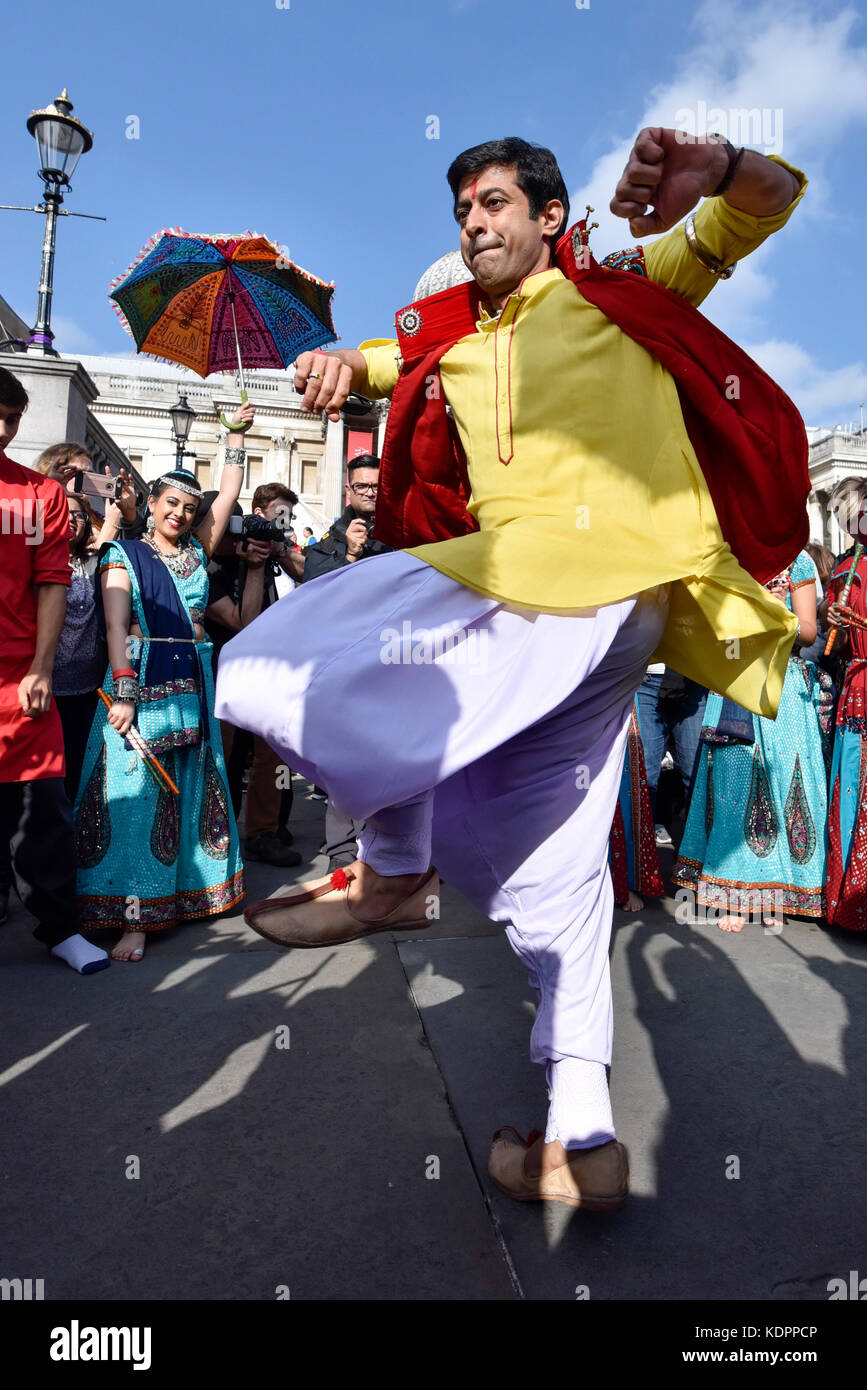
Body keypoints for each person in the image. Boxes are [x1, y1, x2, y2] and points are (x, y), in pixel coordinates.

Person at [217, 130, 807, 1210]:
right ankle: (580, 1137)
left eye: (494, 203)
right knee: (554, 872)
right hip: (584, 626)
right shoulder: (451, 341)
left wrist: (717, 169)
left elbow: (765, 202)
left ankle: (392, 871)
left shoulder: (620, 281)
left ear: (548, 216)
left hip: (580, 584)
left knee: (269, 662)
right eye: (461, 213)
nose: (476, 223)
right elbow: (384, 359)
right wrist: (344, 362)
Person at [73, 407, 253, 960]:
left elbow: (226, 494)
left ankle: (187, 894)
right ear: (150, 505)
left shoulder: (198, 552)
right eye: (170, 503)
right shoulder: (124, 554)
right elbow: (115, 624)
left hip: (193, 679)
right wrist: (123, 690)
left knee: (189, 787)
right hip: (139, 683)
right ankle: (134, 916)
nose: (180, 513)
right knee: (138, 796)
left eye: (188, 508)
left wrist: (234, 436)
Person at [0, 366, 109, 973]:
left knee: (46, 810)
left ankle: (61, 928)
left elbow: (51, 582)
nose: (2, 428)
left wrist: (41, 666)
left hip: (21, 681)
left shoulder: (39, 494)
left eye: (12, 419)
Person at [672, 549, 825, 932]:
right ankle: (737, 894)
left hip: (783, 687)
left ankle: (785, 889)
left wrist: (775, 613)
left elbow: (808, 631)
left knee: (786, 786)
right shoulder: (728, 557)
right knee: (734, 787)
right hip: (736, 682)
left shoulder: (799, 563)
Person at [822, 480, 867, 932]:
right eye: (838, 512)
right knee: (851, 790)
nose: (845, 521)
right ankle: (849, 903)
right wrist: (832, 616)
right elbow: (829, 646)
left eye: (850, 510)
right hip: (855, 685)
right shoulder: (842, 567)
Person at [53, 495, 106, 802]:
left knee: (75, 776)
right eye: (62, 513)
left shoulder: (96, 563)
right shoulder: (33, 558)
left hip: (86, 692)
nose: (71, 519)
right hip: (44, 690)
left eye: (79, 514)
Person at [635, 665, 708, 849]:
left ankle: (692, 858)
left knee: (696, 775)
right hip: (648, 680)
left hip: (693, 680)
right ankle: (642, 860)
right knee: (644, 776)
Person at [302, 454, 391, 583]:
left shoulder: (401, 539)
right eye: (361, 486)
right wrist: (351, 556)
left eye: (376, 487)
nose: (370, 493)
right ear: (348, 491)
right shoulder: (326, 546)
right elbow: (316, 595)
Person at [35, 441, 140, 546]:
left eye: (89, 475)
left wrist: (129, 516)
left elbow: (135, 550)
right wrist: (111, 525)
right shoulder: (38, 510)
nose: (85, 481)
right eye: (76, 474)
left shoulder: (96, 517)